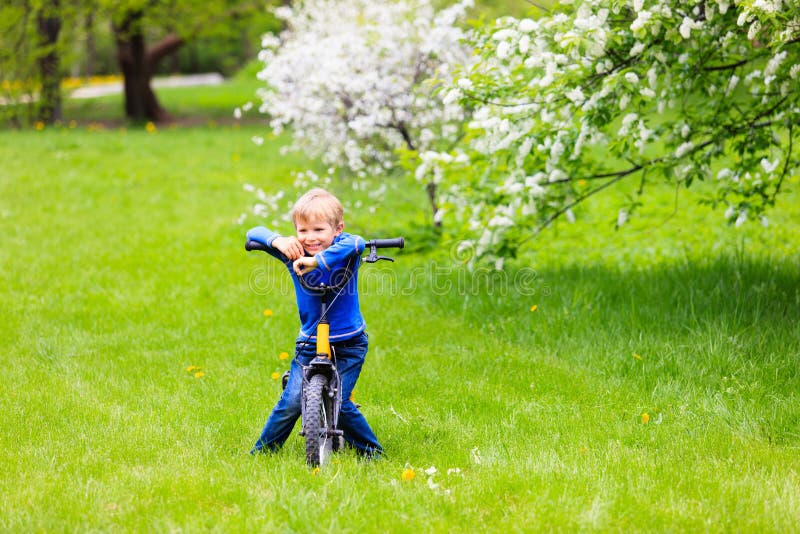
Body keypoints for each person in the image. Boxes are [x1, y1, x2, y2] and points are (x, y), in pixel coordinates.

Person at [247, 188, 383, 458]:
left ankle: (373, 454)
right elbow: (253, 233)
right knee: (292, 401)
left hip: (349, 343)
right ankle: (261, 455)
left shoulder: (345, 251)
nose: (310, 238)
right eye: (303, 230)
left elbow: (356, 242)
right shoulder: (294, 252)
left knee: (341, 404)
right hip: (310, 343)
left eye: (319, 230)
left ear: (337, 229)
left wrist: (317, 261)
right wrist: (278, 241)